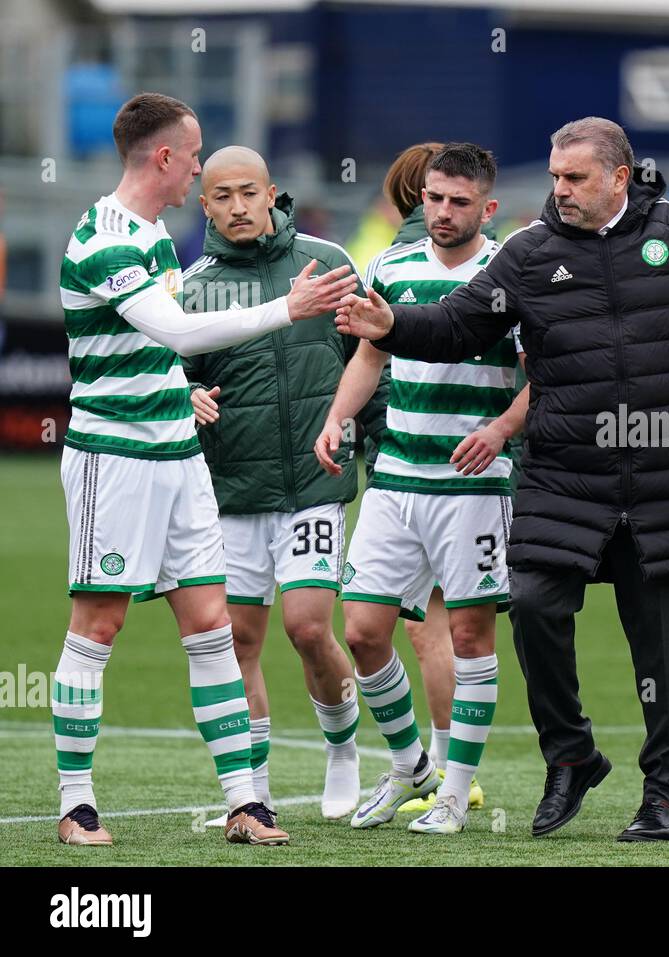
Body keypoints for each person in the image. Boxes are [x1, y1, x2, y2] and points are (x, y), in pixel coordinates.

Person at [335, 116, 669, 841]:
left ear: (620, 177)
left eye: (574, 179)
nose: (559, 191)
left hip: (667, 474)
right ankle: (571, 753)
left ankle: (663, 799)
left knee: (663, 647)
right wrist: (393, 324)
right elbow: (459, 325)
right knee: (532, 606)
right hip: (566, 472)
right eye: (556, 178)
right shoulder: (531, 253)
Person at [53, 92, 357, 846]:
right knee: (99, 624)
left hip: (178, 458)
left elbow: (159, 352)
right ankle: (75, 802)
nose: (200, 168)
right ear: (164, 158)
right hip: (114, 458)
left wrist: (177, 392)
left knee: (213, 626)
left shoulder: (155, 236)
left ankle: (244, 802)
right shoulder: (104, 238)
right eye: (193, 157)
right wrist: (286, 309)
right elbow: (179, 331)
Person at [317, 142, 528, 835]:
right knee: (363, 627)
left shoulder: (509, 273)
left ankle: (455, 791)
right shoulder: (391, 265)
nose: (441, 212)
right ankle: (412, 766)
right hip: (396, 478)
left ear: (486, 208)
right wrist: (338, 416)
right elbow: (371, 355)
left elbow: (544, 377)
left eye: (458, 201)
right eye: (433, 198)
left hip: (473, 484)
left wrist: (500, 429)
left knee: (469, 635)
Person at [180, 146, 384, 827]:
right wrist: (186, 395)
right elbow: (166, 374)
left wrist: (377, 453)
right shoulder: (193, 287)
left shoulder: (326, 263)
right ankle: (253, 792)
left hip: (312, 481)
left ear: (272, 193)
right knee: (237, 639)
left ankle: (343, 745)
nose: (237, 206)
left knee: (306, 626)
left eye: (248, 192)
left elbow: (371, 358)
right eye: (222, 196)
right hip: (231, 488)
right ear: (202, 204)